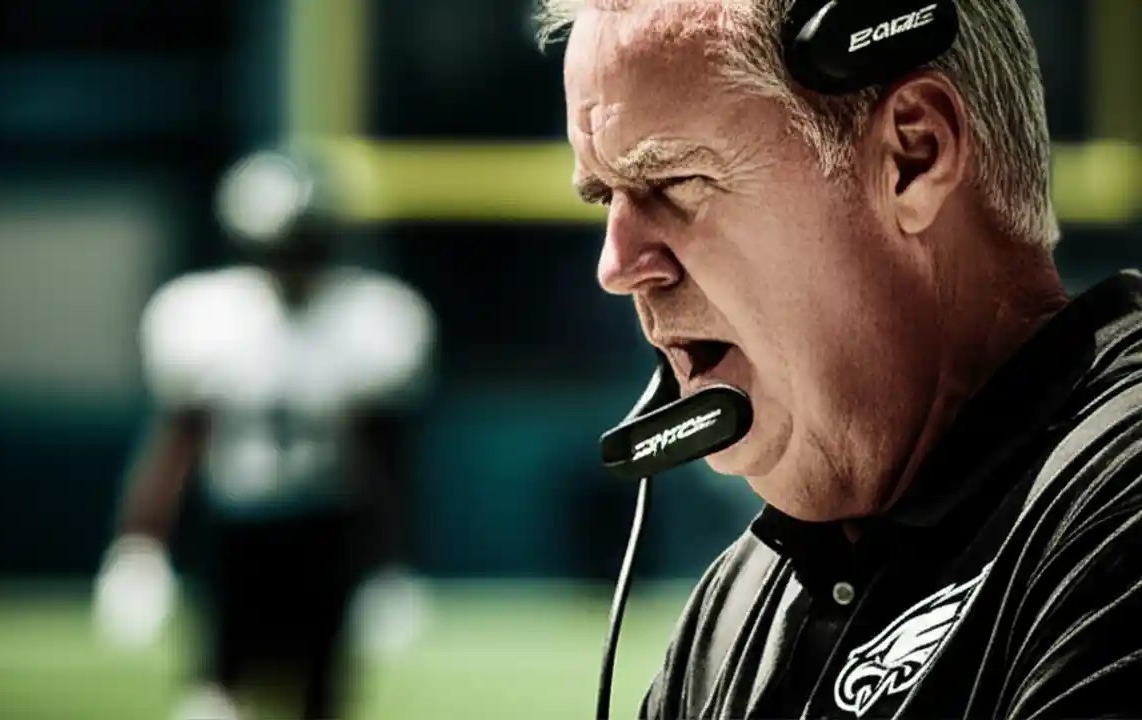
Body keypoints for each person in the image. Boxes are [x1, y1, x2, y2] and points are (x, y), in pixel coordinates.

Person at [537, 1, 1142, 718]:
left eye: (674, 182)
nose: (618, 266)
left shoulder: (1118, 498)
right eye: (605, 197)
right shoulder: (734, 614)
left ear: (913, 156)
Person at [92, 150, 436, 720]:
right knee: (218, 689)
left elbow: (381, 459)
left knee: (319, 695)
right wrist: (140, 546)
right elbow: (177, 445)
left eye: (305, 246)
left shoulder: (370, 318)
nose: (293, 264)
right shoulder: (209, 317)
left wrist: (389, 565)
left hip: (326, 526)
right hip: (236, 528)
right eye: (283, 248)